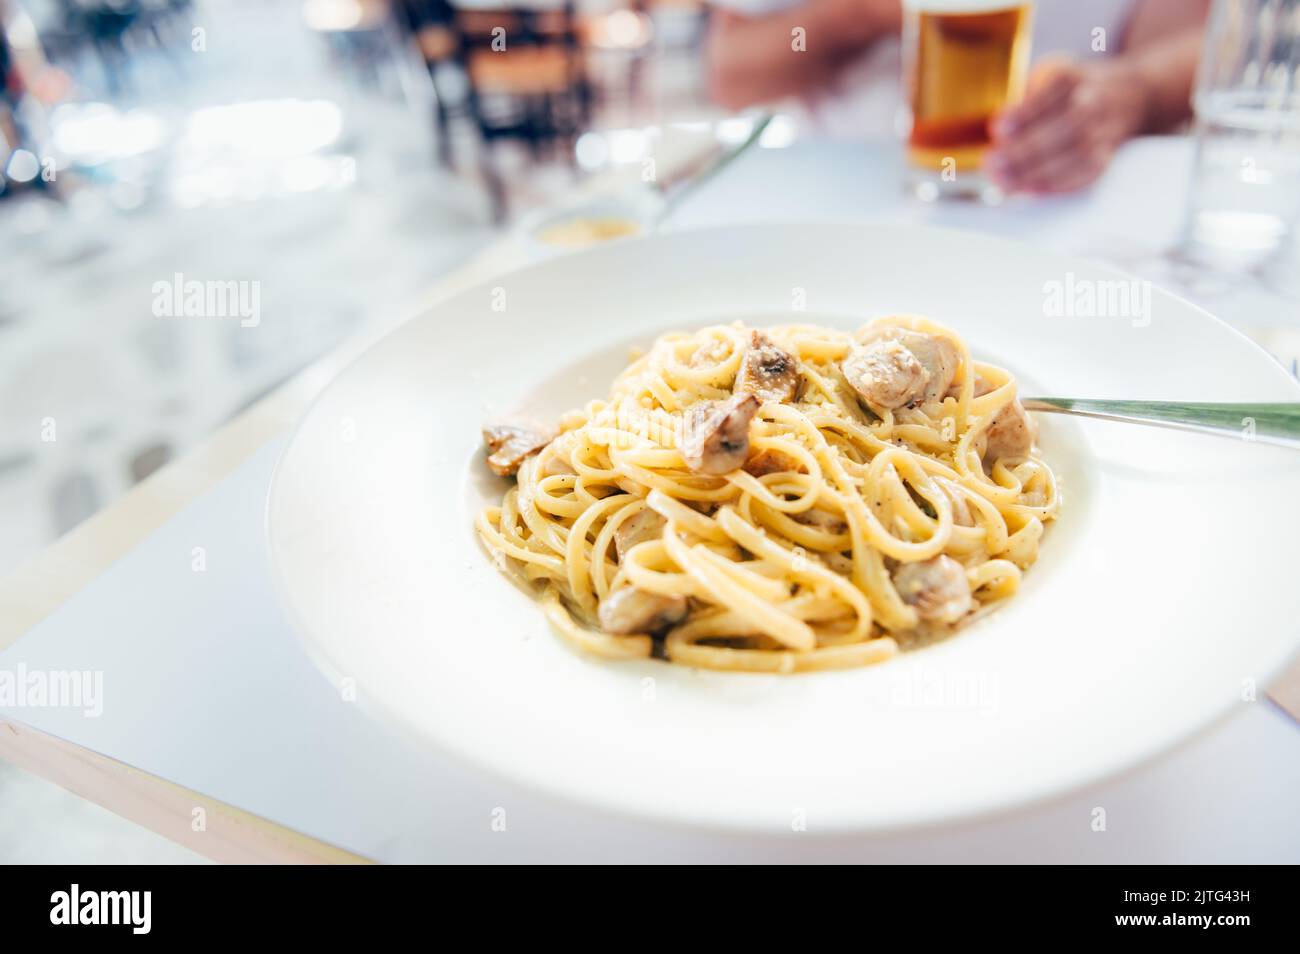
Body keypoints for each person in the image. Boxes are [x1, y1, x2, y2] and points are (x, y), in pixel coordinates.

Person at [706, 0, 1210, 194]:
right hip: (835, 195)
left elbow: (1198, 36)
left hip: (1062, 206)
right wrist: (860, 14)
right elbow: (730, 73)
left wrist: (1133, 91)